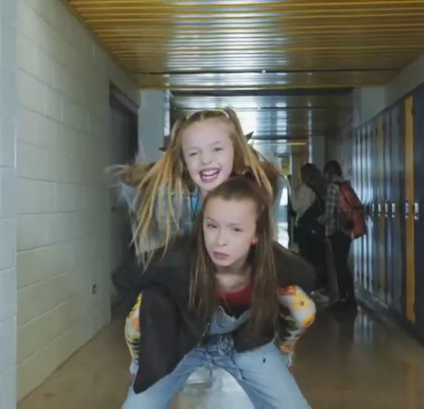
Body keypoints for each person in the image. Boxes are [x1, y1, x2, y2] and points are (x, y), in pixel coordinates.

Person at [116, 108, 316, 382]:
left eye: (217, 149)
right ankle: (140, 363)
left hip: (240, 288)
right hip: (194, 285)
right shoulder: (175, 199)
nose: (206, 160)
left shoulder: (253, 193)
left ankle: (283, 351)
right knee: (138, 314)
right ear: (184, 160)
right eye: (194, 153)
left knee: (303, 309)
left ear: (235, 151)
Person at [123, 176, 313, 408]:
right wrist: (139, 364)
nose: (220, 241)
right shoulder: (173, 263)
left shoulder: (275, 266)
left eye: (236, 229)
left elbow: (304, 303)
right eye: (212, 226)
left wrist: (283, 354)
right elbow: (134, 312)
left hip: (246, 343)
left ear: (256, 235)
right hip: (181, 342)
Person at [320, 160, 360, 306]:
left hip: (337, 232)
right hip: (346, 230)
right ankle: (349, 296)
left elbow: (330, 213)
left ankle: (344, 297)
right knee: (343, 264)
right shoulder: (346, 186)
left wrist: (319, 220)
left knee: (339, 265)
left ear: (328, 173)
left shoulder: (332, 187)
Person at [291, 163, 330, 302]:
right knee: (317, 260)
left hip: (306, 231)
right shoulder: (317, 189)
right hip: (315, 231)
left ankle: (312, 289)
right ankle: (320, 289)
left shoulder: (304, 190)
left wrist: (291, 190)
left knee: (307, 261)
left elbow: (296, 207)